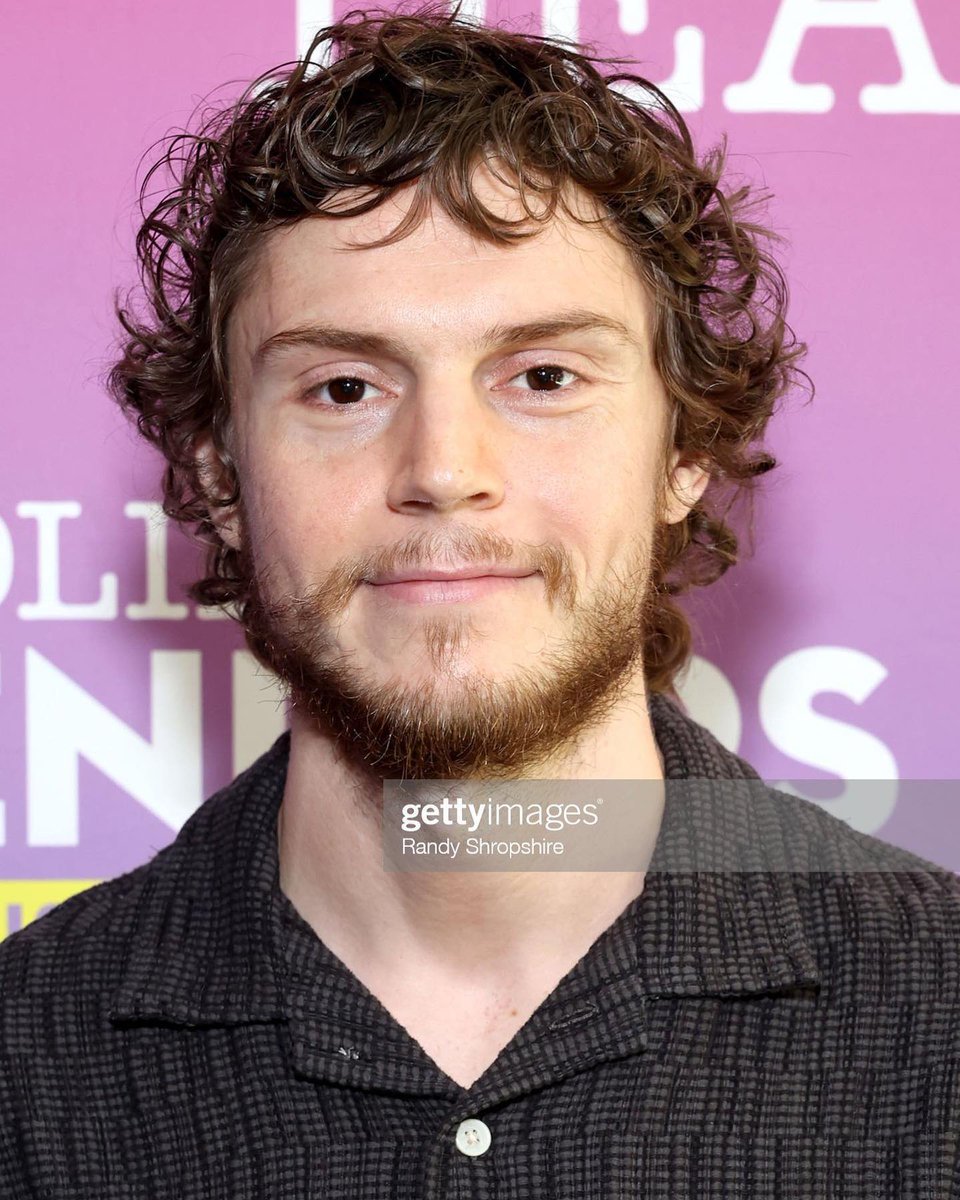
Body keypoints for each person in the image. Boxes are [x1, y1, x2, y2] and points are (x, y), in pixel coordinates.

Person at [1, 7, 957, 1197]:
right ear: (218, 476)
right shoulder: (25, 1070)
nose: (443, 467)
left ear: (684, 451)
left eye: (545, 376)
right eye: (344, 386)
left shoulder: (942, 1025)